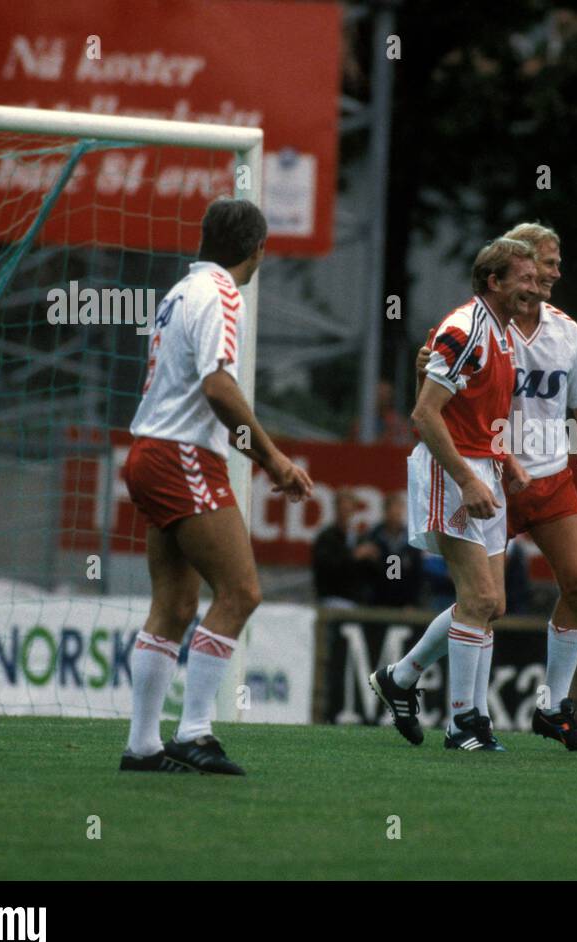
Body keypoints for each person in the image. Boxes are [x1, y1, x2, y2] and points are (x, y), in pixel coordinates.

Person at [119, 198, 313, 774]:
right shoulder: (225, 294)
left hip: (147, 451)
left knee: (175, 603)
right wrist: (273, 460)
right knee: (242, 592)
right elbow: (218, 388)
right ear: (259, 249)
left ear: (204, 239)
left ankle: (143, 746)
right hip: (181, 454)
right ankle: (196, 732)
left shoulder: (180, 292)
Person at [408, 223, 577, 752]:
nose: (552, 273)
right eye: (544, 263)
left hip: (538, 475)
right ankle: (451, 710)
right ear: (510, 273)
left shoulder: (561, 331)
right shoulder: (478, 323)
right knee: (482, 600)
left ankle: (549, 706)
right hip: (480, 473)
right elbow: (431, 396)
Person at [368, 238, 533, 752]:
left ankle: (402, 677)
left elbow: (476, 410)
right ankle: (464, 722)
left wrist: (504, 460)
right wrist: (466, 477)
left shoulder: (503, 334)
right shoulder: (467, 328)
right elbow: (424, 413)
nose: (533, 285)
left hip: (482, 468)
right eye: (524, 277)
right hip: (452, 471)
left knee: (493, 602)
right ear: (494, 282)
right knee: (478, 599)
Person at [354, 490, 424, 608]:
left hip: (405, 600)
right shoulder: (372, 537)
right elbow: (364, 572)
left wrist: (413, 602)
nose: (396, 515)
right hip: (376, 600)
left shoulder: (411, 540)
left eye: (399, 510)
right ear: (386, 512)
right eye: (393, 510)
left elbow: (417, 573)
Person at [311, 489, 370, 607]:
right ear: (336, 510)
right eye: (342, 509)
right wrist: (353, 556)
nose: (345, 514)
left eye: (349, 510)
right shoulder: (326, 537)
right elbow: (325, 568)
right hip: (331, 598)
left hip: (355, 600)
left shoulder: (359, 538)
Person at [351, 379, 418, 447]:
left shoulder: (397, 422)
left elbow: (405, 443)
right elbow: (354, 442)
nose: (382, 398)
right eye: (379, 394)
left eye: (385, 395)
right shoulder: (362, 421)